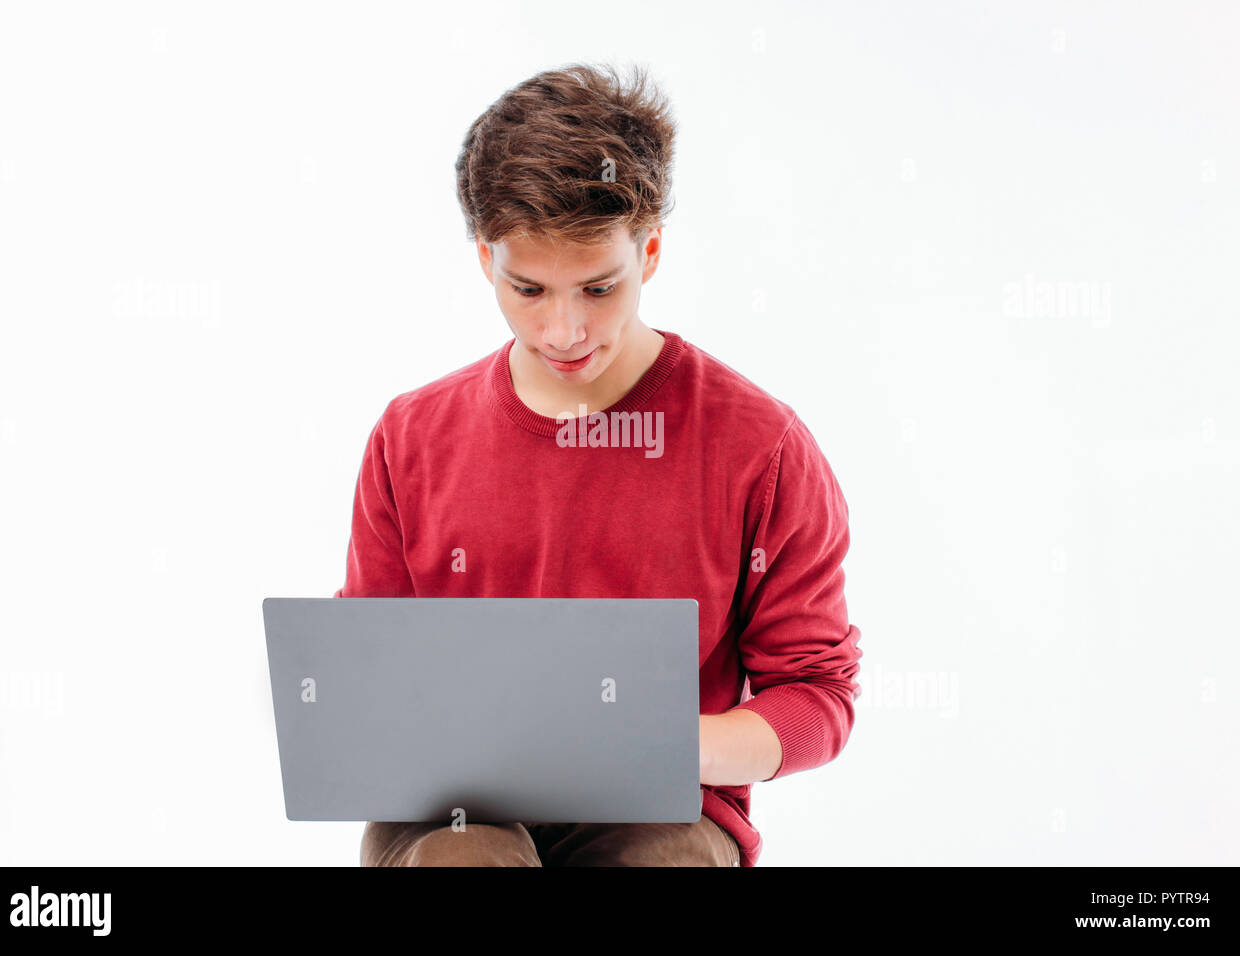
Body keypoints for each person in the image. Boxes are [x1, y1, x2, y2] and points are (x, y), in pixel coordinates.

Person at [335, 61, 862, 866]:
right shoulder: (411, 437)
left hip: (659, 810)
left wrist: (664, 745)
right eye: (529, 289)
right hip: (451, 811)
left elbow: (817, 695)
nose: (564, 330)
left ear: (649, 252)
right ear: (485, 259)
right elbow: (365, 669)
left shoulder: (761, 448)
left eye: (599, 287)